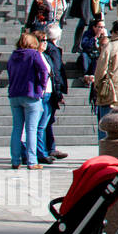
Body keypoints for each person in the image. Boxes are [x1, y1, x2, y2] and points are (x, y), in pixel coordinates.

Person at [7, 32, 50, 169]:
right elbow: (44, 71)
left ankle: (15, 160)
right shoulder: (33, 54)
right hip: (31, 94)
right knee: (31, 129)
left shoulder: (13, 55)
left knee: (17, 129)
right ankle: (32, 161)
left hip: (14, 94)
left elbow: (9, 71)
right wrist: (42, 86)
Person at [37, 26, 68, 163]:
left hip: (46, 90)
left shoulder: (48, 49)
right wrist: (59, 91)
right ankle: (47, 149)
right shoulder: (53, 50)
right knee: (45, 122)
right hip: (49, 91)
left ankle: (47, 148)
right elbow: (55, 71)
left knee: (45, 122)